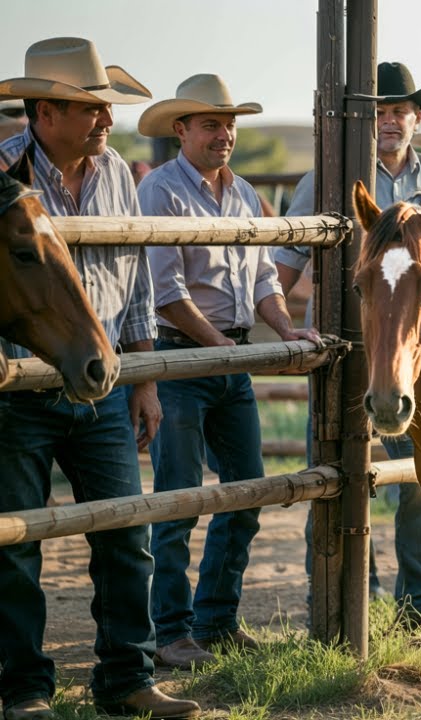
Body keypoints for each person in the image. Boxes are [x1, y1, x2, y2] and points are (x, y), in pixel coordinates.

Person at [0, 37, 200, 720]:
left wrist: (142, 376)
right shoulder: (0, 172)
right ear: (45, 112)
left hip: (107, 382)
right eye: (91, 109)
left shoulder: (116, 171)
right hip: (20, 389)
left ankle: (127, 679)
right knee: (16, 547)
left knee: (125, 535)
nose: (106, 121)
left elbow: (136, 274)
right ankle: (24, 690)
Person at [136, 74, 322, 669]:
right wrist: (221, 346)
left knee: (246, 490)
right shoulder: (160, 192)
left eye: (230, 124)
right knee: (178, 500)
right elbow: (164, 291)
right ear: (181, 130)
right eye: (211, 124)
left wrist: (285, 327)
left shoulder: (242, 192)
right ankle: (170, 630)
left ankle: (216, 617)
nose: (225, 135)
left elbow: (263, 277)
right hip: (184, 356)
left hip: (229, 357)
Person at [277, 60, 421, 635]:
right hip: (345, 350)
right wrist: (271, 326)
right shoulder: (330, 175)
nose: (390, 121)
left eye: (400, 111)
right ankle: (336, 603)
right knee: (333, 475)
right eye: (379, 112)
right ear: (365, 121)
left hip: (412, 355)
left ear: (416, 118)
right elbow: (287, 257)